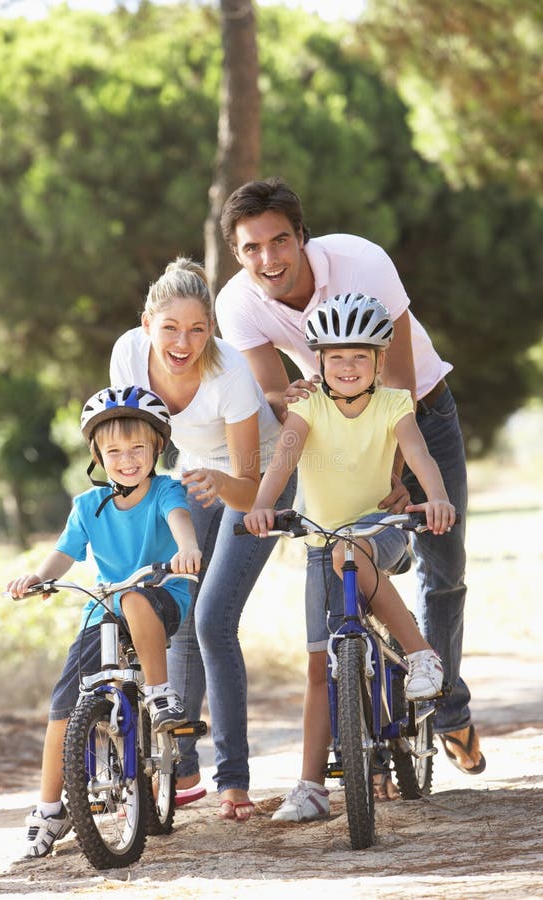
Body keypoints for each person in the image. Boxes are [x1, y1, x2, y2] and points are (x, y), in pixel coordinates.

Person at [216, 176, 485, 791]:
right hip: (331, 428)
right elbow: (274, 393)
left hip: (419, 410)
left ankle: (447, 710)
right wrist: (308, 430)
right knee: (339, 563)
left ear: (301, 237)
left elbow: (399, 376)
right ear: (238, 253)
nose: (269, 258)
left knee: (442, 567)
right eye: (252, 248)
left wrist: (395, 475)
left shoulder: (362, 260)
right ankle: (365, 737)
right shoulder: (237, 304)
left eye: (280, 241)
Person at [244, 291, 454, 822]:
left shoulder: (394, 404)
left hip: (381, 531)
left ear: (379, 361)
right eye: (336, 356)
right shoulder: (307, 407)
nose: (347, 366)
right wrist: (263, 508)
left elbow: (419, 454)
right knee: (319, 667)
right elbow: (281, 461)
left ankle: (421, 654)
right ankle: (311, 787)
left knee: (350, 551)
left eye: (360, 356)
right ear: (318, 361)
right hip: (319, 541)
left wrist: (438, 498)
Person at [109, 258, 296, 822]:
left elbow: (245, 486)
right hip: (192, 475)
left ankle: (233, 780)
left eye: (197, 329)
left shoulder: (228, 373)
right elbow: (129, 445)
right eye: (170, 328)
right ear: (148, 324)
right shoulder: (126, 355)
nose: (183, 342)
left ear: (211, 328)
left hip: (259, 481)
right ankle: (182, 768)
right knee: (180, 610)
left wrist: (221, 483)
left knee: (214, 618)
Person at [6, 385, 202, 858]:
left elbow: (180, 522)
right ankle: (52, 808)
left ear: (158, 447)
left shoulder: (164, 491)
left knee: (133, 598)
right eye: (114, 450)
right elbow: (62, 556)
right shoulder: (86, 506)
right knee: (63, 704)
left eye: (138, 448)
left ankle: (159, 695)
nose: (127, 459)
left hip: (160, 596)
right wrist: (39, 577)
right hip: (105, 610)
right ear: (97, 454)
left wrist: (188, 548)